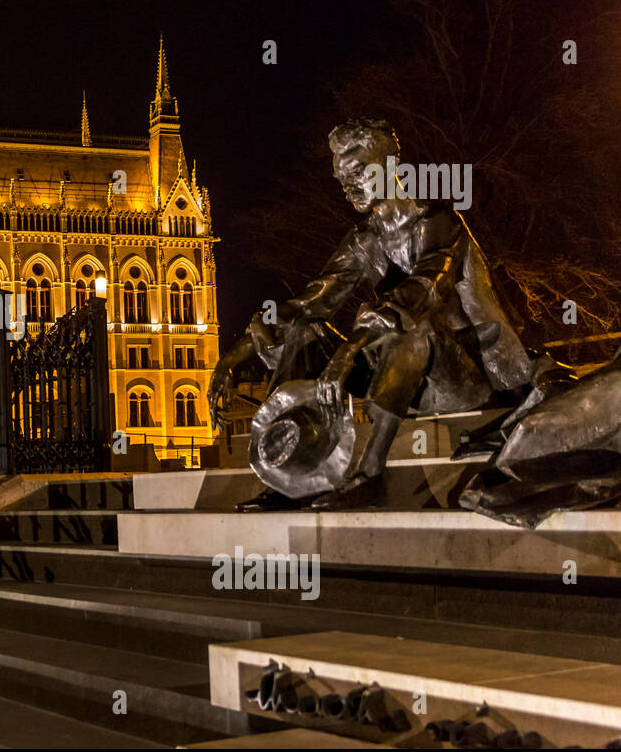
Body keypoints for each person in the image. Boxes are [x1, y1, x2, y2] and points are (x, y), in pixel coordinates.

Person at [209, 119, 534, 508]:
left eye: (358, 172)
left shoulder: (440, 223)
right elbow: (315, 299)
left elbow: (423, 291)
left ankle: (371, 474)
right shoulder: (364, 239)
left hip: (462, 380)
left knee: (411, 326)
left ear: (391, 169)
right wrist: (231, 358)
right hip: (402, 381)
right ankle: (296, 471)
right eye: (341, 177)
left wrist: (350, 351)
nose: (347, 185)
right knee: (303, 331)